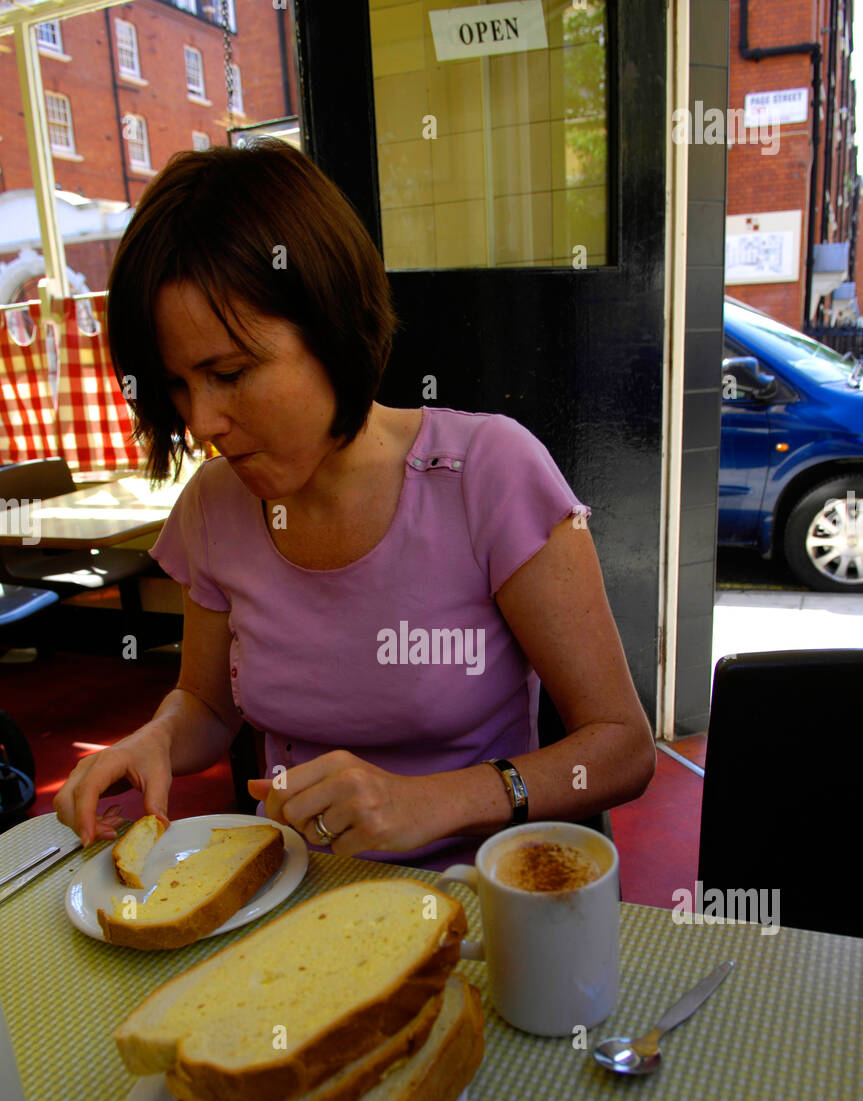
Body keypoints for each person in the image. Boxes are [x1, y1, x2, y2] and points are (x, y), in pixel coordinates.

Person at [54, 140, 655, 871]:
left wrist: (435, 801)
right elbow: (207, 709)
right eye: (178, 385)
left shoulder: (486, 474)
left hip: (470, 897)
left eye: (230, 372)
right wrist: (155, 737)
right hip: (281, 890)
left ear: (332, 326)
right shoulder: (213, 505)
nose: (202, 423)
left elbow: (620, 747)